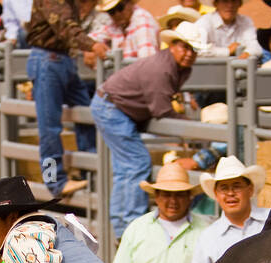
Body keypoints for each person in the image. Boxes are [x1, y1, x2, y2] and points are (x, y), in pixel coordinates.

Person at [91, 21, 207, 238]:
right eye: (185, 47)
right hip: (113, 108)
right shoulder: (162, 69)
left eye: (193, 49)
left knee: (126, 168)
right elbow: (161, 109)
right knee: (137, 162)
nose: (189, 54)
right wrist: (189, 126)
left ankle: (121, 225)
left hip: (114, 106)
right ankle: (129, 226)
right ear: (172, 45)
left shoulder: (176, 66)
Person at [26, 0, 111, 199]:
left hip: (59, 59)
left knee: (86, 115)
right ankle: (55, 182)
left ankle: (88, 171)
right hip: (50, 60)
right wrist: (92, 45)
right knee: (50, 126)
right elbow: (65, 26)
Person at [111, 161, 211, 263]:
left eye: (179, 195)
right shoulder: (137, 228)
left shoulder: (204, 231)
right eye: (166, 194)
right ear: (156, 197)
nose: (173, 201)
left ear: (189, 197)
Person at [89, 0, 159, 61]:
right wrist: (92, 46)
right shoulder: (115, 25)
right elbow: (93, 37)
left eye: (120, 7)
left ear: (130, 3)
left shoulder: (142, 18)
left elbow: (146, 57)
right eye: (111, 11)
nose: (117, 14)